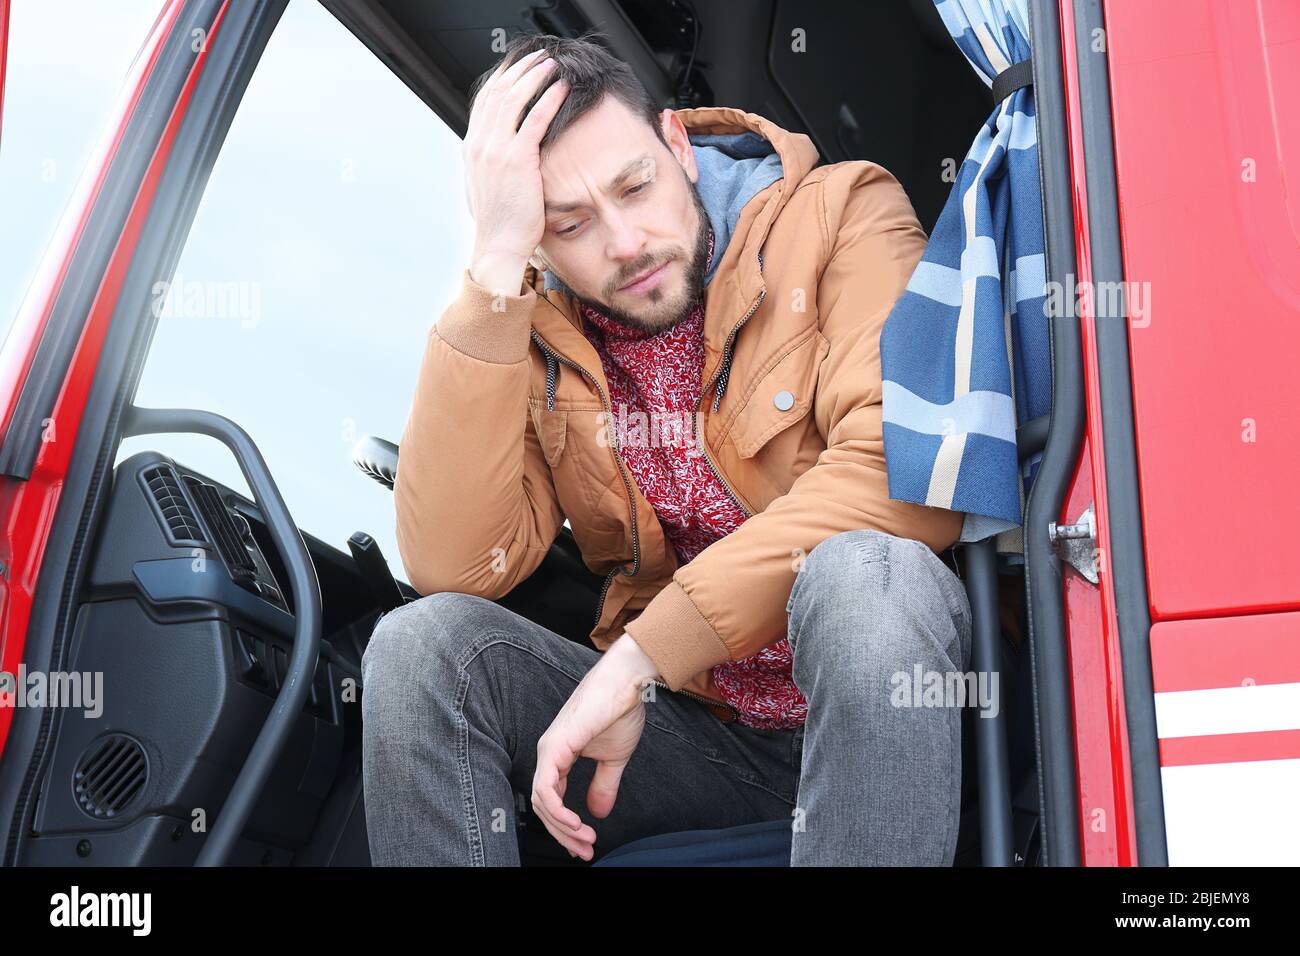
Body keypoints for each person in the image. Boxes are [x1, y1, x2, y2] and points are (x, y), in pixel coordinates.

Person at [361, 32, 971, 866]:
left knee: (867, 572)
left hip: (901, 722)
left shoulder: (840, 213)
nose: (624, 242)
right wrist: (493, 266)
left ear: (677, 143)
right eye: (569, 223)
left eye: (636, 186)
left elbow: (907, 475)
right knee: (422, 649)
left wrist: (644, 656)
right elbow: (458, 566)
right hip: (707, 738)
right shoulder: (537, 330)